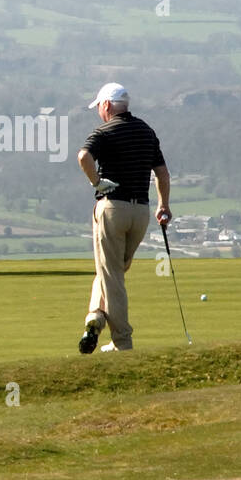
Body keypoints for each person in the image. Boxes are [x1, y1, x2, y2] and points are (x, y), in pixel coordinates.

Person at [76, 82, 171, 353]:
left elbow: (83, 156)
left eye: (99, 107)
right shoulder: (146, 131)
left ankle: (122, 342)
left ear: (106, 105)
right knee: (113, 272)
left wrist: (96, 182)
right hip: (140, 212)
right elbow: (162, 174)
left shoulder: (105, 130)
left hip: (112, 209)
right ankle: (95, 316)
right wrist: (164, 205)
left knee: (112, 274)